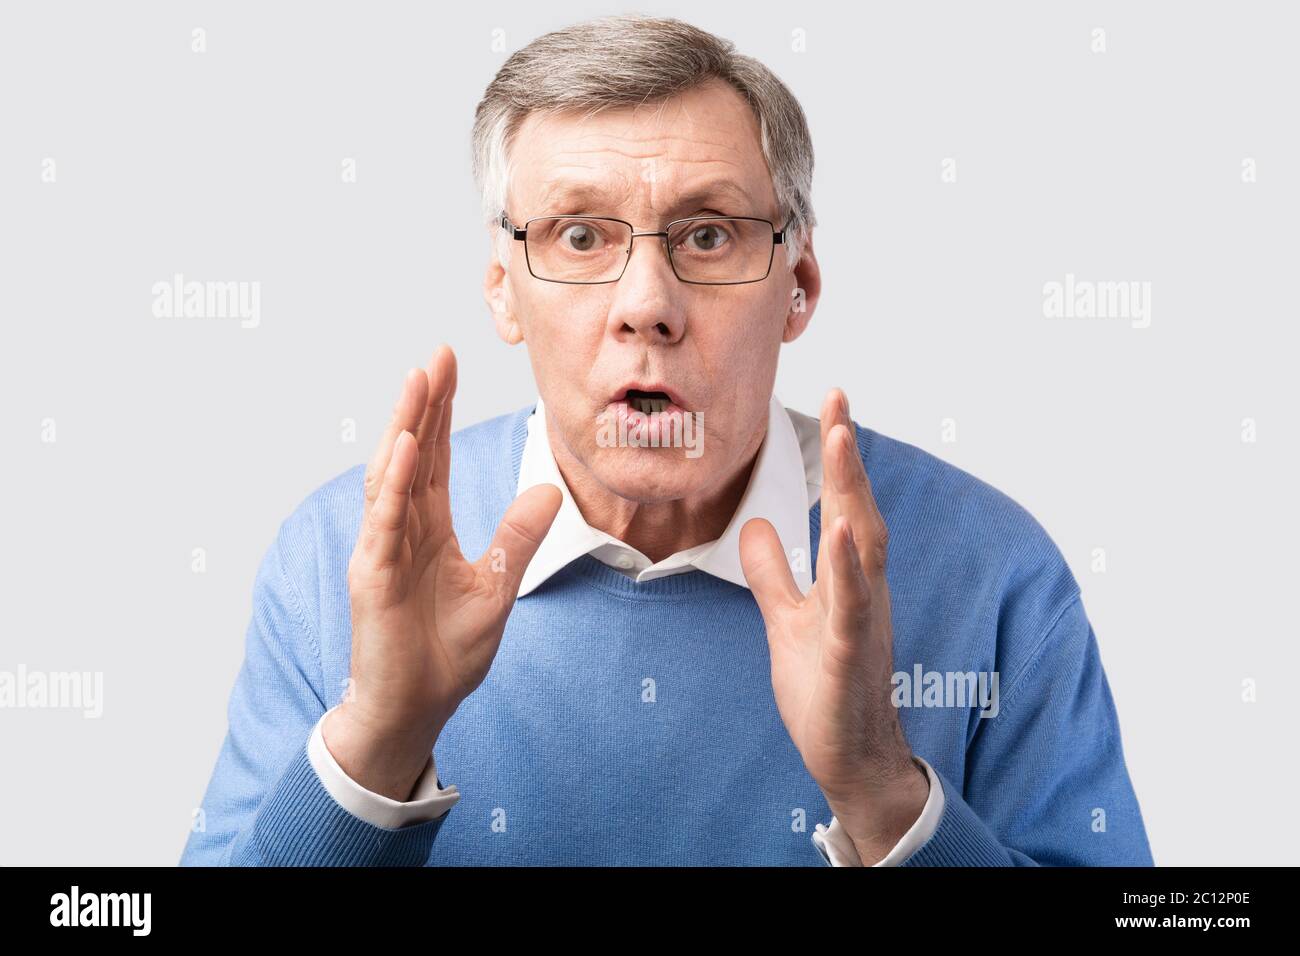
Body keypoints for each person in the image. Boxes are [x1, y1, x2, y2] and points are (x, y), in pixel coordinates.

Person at [180, 14, 1152, 867]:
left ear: (798, 286)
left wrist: (880, 794)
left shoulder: (994, 573)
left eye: (708, 234)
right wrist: (377, 744)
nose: (646, 306)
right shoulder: (338, 563)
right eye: (578, 236)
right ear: (500, 291)